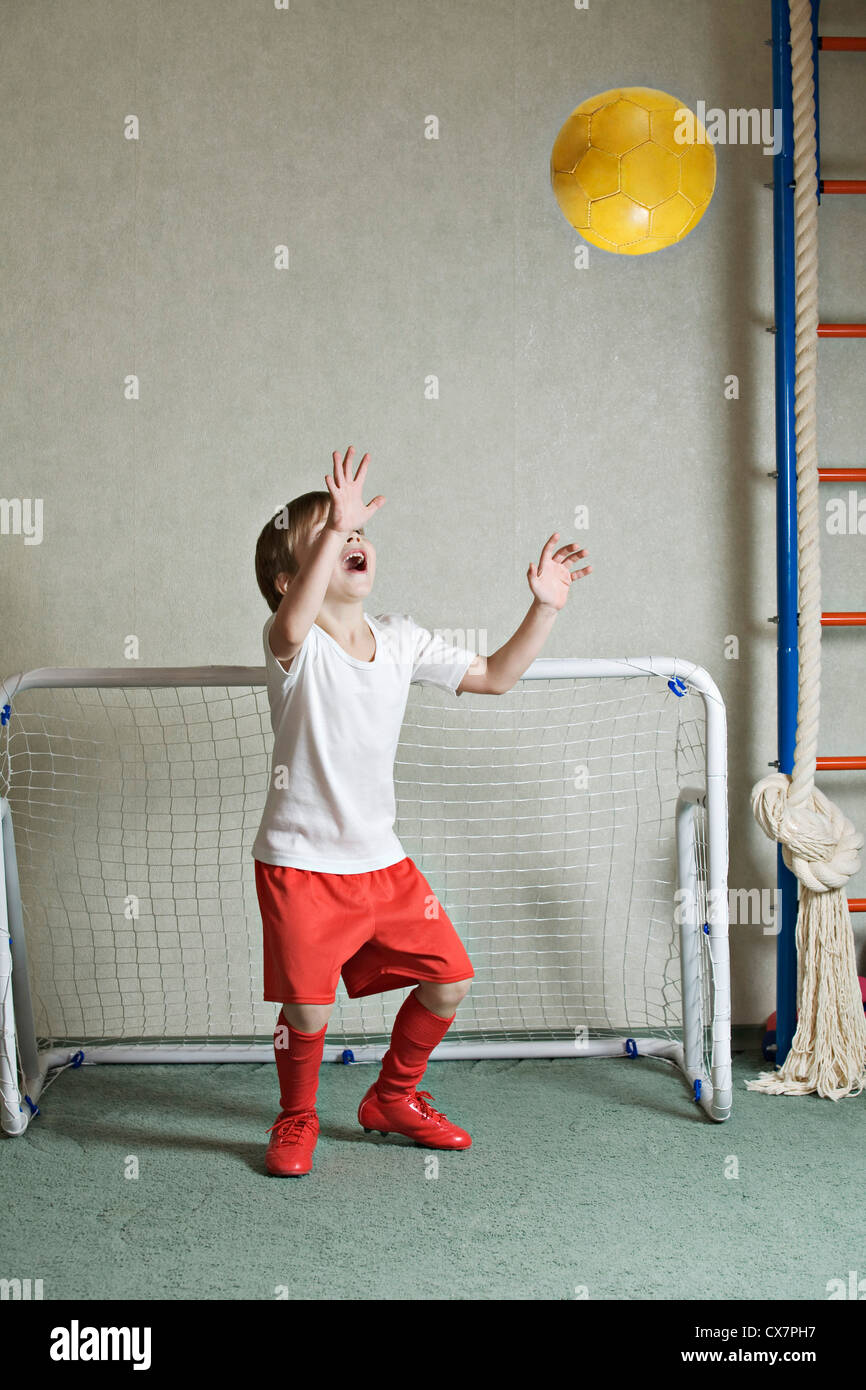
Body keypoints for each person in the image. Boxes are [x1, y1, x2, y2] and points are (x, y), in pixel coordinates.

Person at [252, 446, 591, 1176]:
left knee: (450, 978)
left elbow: (496, 676)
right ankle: (296, 1116)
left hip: (382, 863)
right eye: (330, 535)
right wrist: (334, 525)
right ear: (289, 581)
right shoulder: (294, 644)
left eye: (357, 533)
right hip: (300, 863)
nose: (352, 540)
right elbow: (290, 625)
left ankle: (392, 1098)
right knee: (308, 1012)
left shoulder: (402, 637)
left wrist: (545, 606)